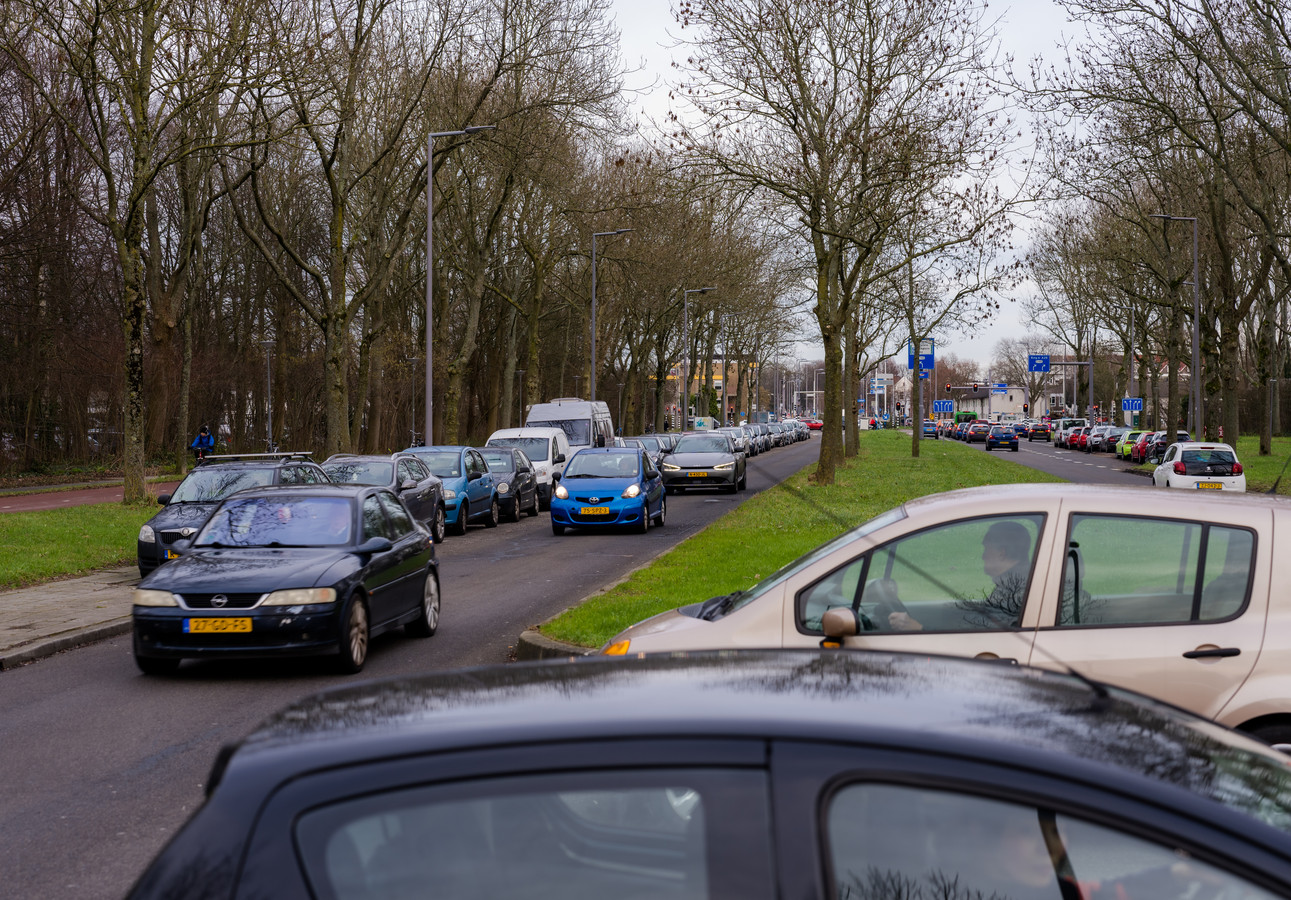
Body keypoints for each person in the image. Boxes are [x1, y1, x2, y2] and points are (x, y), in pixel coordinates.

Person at [886, 520, 1032, 631]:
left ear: (1001, 552)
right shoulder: (1013, 583)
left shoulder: (1017, 592)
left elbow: (982, 637)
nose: (982, 556)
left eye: (986, 549)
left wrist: (918, 629)